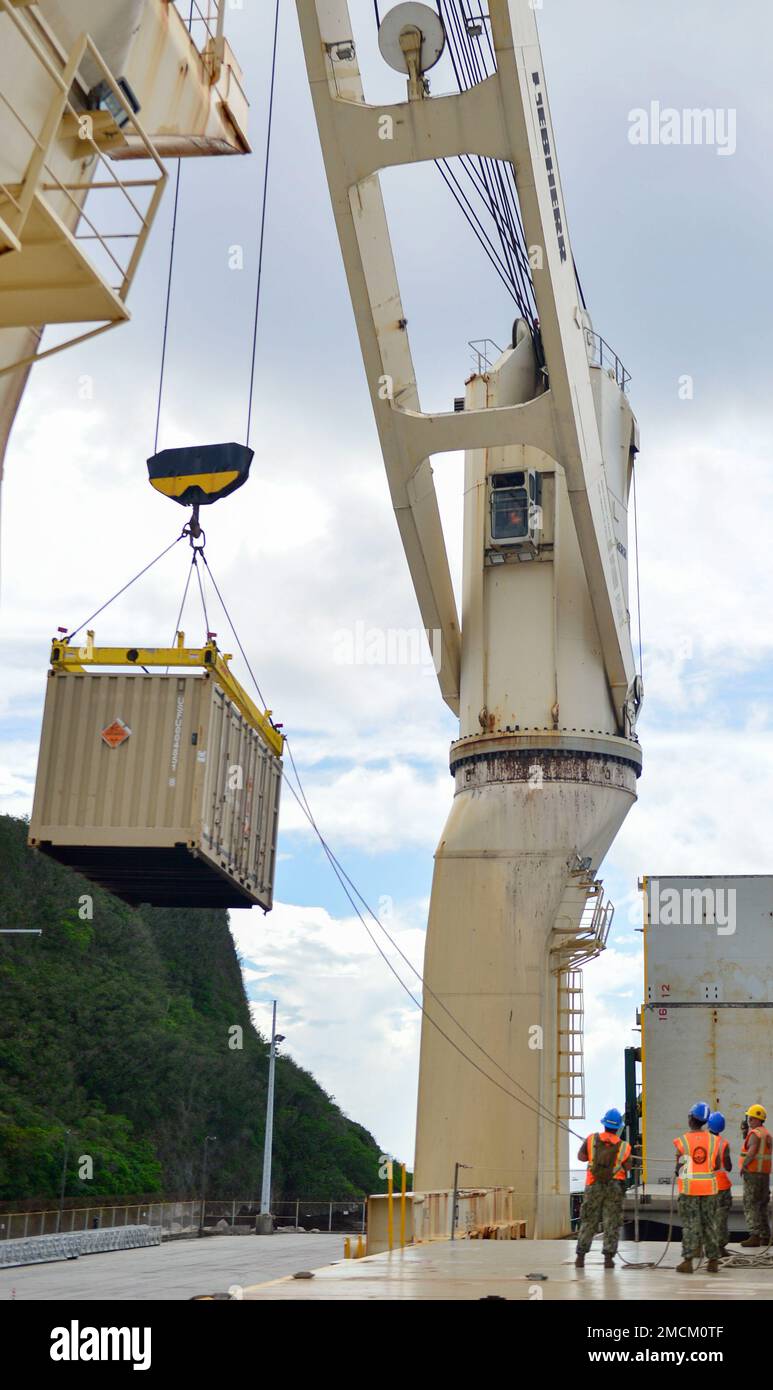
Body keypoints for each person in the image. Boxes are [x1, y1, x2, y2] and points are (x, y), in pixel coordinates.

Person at [575, 1108, 632, 1269]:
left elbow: (581, 1157)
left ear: (604, 1123)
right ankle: (608, 1259)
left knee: (588, 1221)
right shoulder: (624, 1147)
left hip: (593, 1185)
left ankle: (580, 1257)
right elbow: (628, 1167)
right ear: (618, 1127)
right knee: (611, 1222)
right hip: (614, 1188)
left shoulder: (591, 1139)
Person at [673, 1100, 722, 1274]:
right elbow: (716, 1165)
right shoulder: (714, 1141)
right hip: (709, 1188)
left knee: (690, 1225)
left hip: (689, 1189)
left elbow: (679, 1166)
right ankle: (713, 1261)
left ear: (690, 1119)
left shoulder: (682, 1141)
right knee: (710, 1223)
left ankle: (687, 1261)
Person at [738, 1103, 772, 1248]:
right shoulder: (767, 1134)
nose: (749, 1121)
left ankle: (754, 1236)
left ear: (757, 1119)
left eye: (751, 1119)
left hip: (752, 1175)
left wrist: (744, 1165)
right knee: (762, 1205)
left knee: (750, 1204)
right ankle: (766, 1236)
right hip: (764, 1175)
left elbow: (752, 1151)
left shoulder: (755, 1134)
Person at [708, 1111, 732, 1255]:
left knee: (705, 1216)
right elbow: (728, 1166)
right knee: (721, 1218)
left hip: (705, 1186)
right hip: (721, 1186)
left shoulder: (701, 1140)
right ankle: (720, 1247)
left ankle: (701, 1246)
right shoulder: (723, 1143)